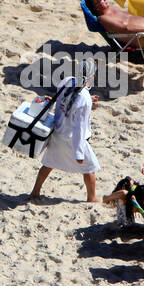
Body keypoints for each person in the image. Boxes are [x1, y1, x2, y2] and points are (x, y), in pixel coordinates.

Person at [30, 70, 100, 202]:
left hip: (58, 131)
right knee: (90, 168)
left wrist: (88, 99)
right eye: (93, 75)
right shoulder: (84, 97)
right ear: (90, 76)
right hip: (73, 138)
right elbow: (80, 128)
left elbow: (65, 98)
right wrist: (78, 153)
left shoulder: (67, 81)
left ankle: (35, 192)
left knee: (48, 164)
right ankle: (92, 197)